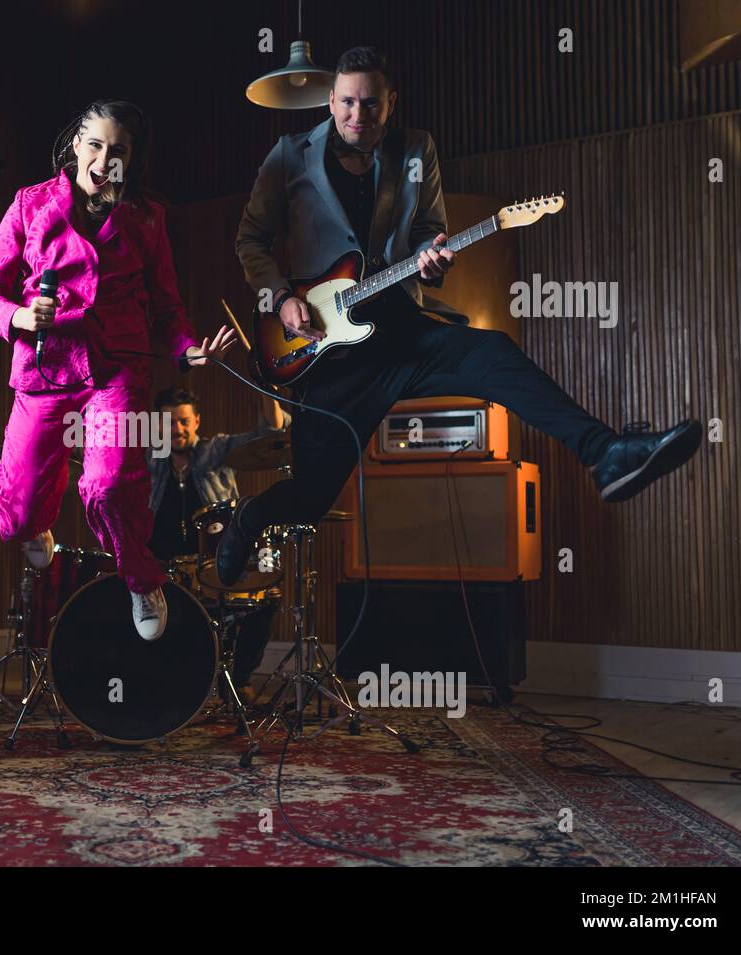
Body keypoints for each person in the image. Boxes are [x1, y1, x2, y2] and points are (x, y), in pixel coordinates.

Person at [216, 47, 701, 585]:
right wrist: (282, 298)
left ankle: (606, 452)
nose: (359, 115)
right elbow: (251, 241)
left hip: (399, 330)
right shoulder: (289, 155)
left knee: (492, 352)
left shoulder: (416, 150)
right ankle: (251, 516)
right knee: (308, 499)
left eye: (371, 104)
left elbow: (428, 233)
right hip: (325, 350)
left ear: (390, 103)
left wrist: (431, 261)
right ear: (330, 101)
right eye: (347, 102)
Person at [0, 99, 237, 641]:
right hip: (45, 366)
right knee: (16, 515)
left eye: (119, 150)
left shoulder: (147, 216)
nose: (104, 158)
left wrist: (187, 351)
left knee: (113, 483)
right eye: (94, 144)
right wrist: (19, 315)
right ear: (75, 145)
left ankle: (141, 578)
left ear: (131, 160)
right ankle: (34, 523)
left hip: (119, 367)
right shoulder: (29, 204)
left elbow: (165, 307)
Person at [148, 386, 288, 701]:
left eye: (183, 421)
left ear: (197, 421)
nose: (177, 429)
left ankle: (240, 679)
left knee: (268, 596)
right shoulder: (149, 458)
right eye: (169, 422)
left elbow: (271, 431)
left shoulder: (217, 450)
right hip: (162, 564)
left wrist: (267, 389)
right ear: (157, 425)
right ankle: (165, 678)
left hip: (217, 563)